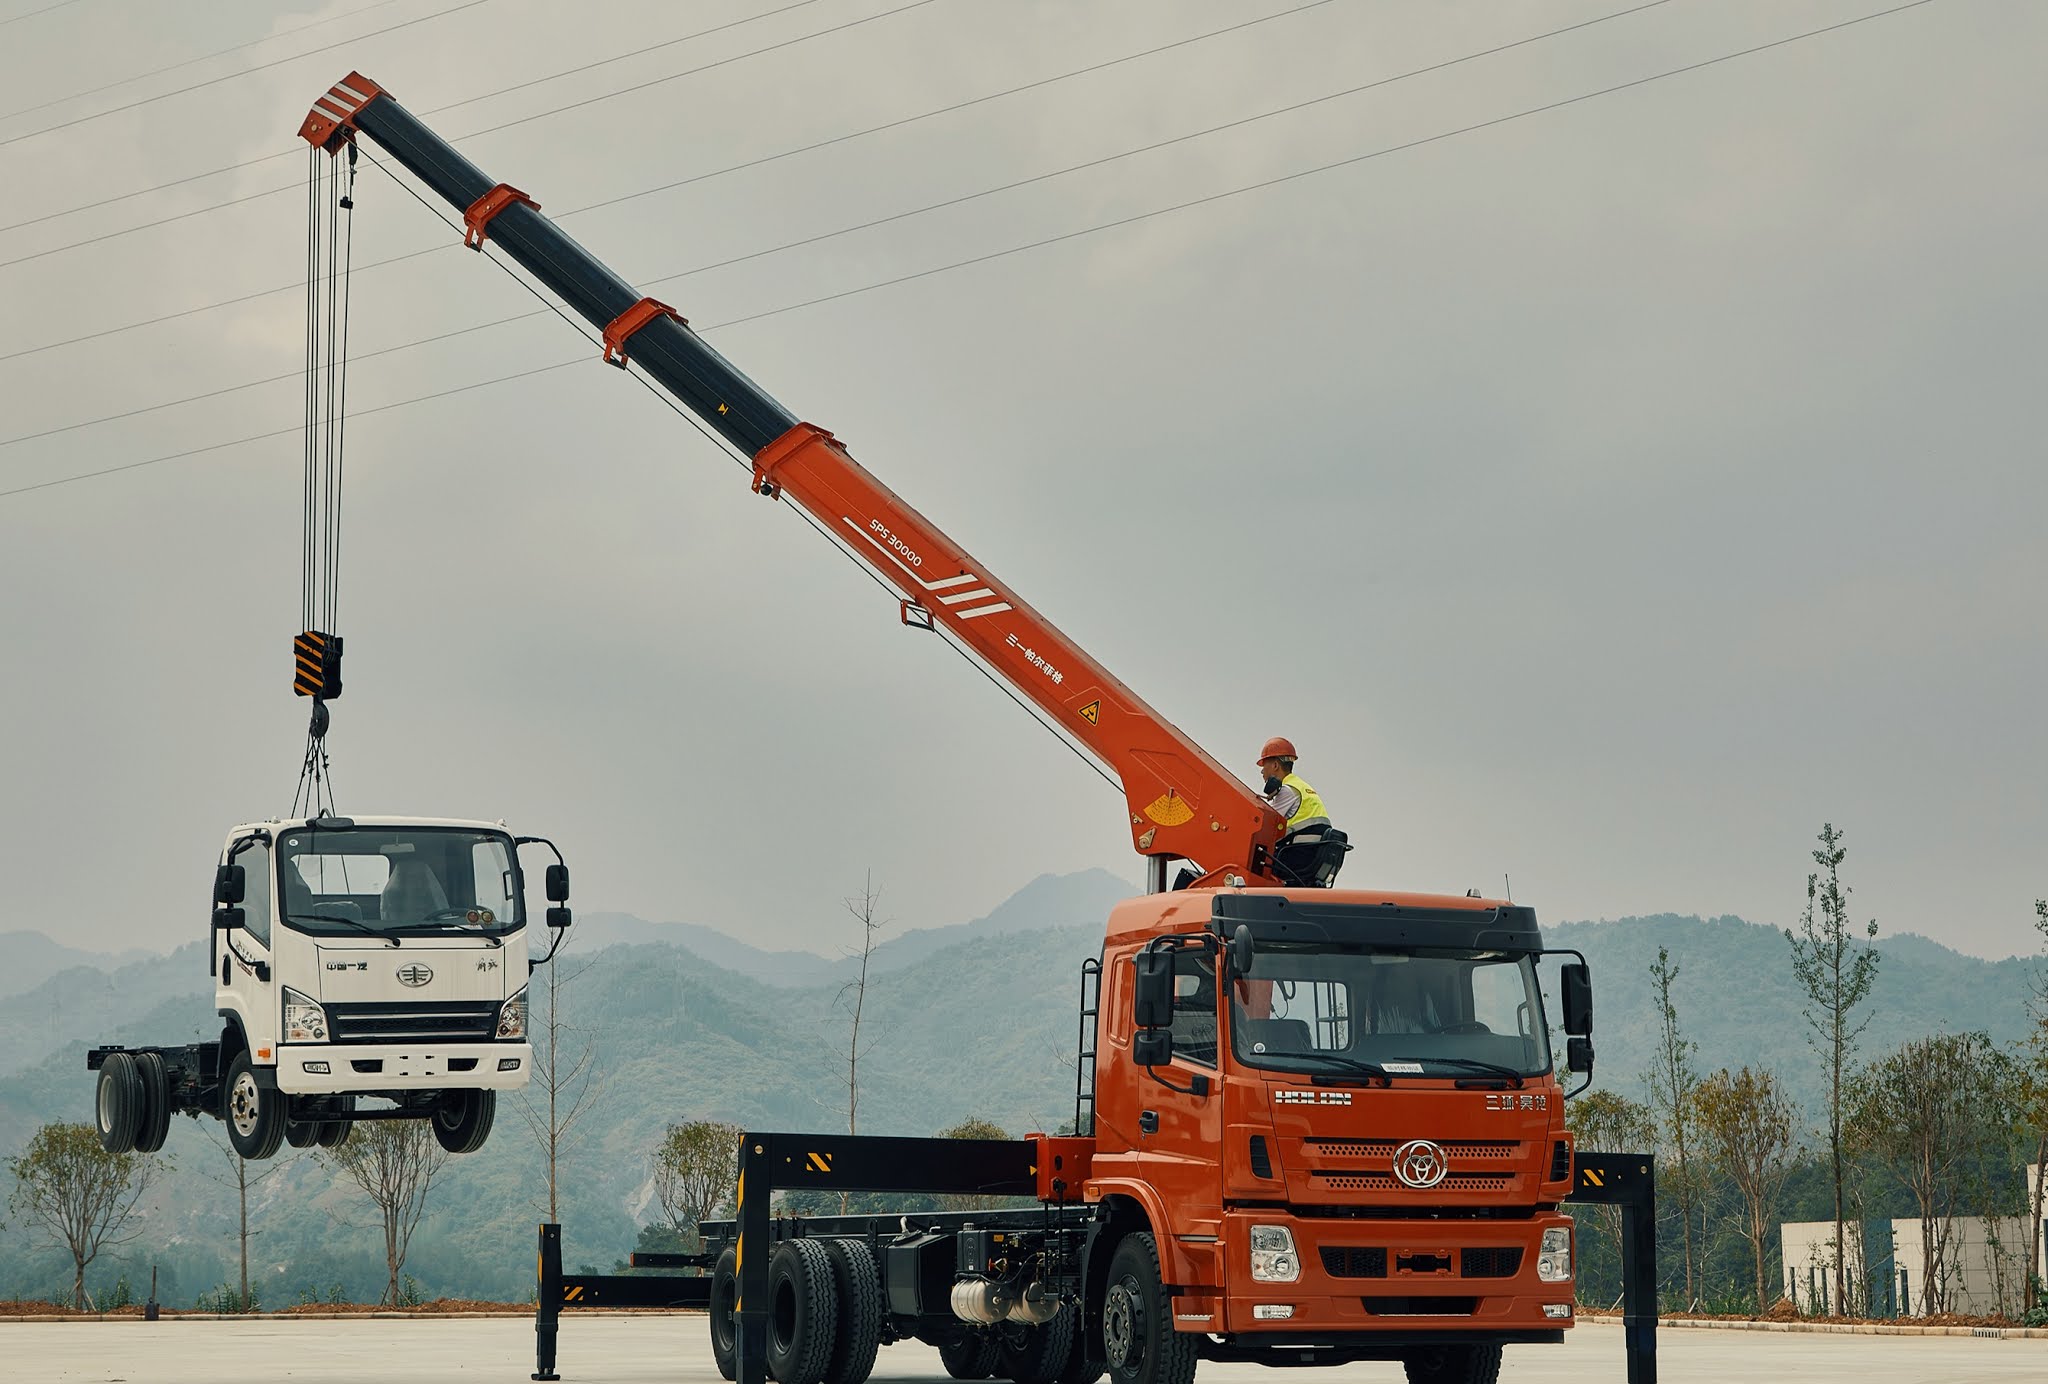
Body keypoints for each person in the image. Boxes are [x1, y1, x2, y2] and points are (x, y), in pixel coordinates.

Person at [1256, 736, 1329, 833]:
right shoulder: (1300, 786)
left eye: (1264, 766)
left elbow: (1263, 822)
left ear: (1275, 765)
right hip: (1313, 843)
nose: (1262, 771)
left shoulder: (1287, 790)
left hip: (1300, 845)